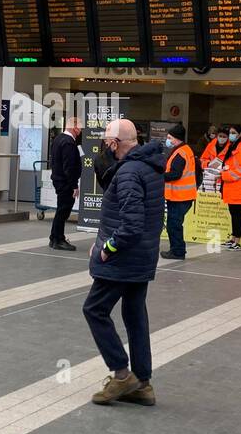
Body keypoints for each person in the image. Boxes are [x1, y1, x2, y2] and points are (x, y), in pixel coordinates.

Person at [84, 119, 166, 407]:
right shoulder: (150, 166)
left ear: (116, 143)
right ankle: (143, 383)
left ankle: (121, 374)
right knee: (134, 315)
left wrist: (108, 247)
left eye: (108, 142)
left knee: (94, 309)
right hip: (142, 256)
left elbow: (131, 223)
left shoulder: (129, 171)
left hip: (123, 259)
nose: (106, 148)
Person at [213, 123, 241, 249]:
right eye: (230, 133)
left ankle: (237, 240)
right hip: (233, 187)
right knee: (234, 213)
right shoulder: (234, 147)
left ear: (240, 134)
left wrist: (224, 176)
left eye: (233, 133)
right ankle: (233, 238)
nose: (231, 135)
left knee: (237, 214)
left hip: (239, 187)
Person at [161, 122, 197, 260]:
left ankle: (177, 251)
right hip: (181, 196)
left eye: (170, 138)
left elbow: (175, 174)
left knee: (173, 225)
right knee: (174, 224)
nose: (168, 140)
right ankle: (177, 250)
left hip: (180, 196)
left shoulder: (181, 153)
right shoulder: (184, 150)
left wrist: (159, 176)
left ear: (177, 138)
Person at [48, 117, 83, 250]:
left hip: (59, 180)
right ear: (74, 127)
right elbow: (69, 166)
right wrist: (74, 185)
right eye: (79, 127)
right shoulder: (68, 143)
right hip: (65, 182)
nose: (80, 130)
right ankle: (58, 240)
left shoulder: (58, 139)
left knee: (60, 210)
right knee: (63, 211)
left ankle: (54, 237)